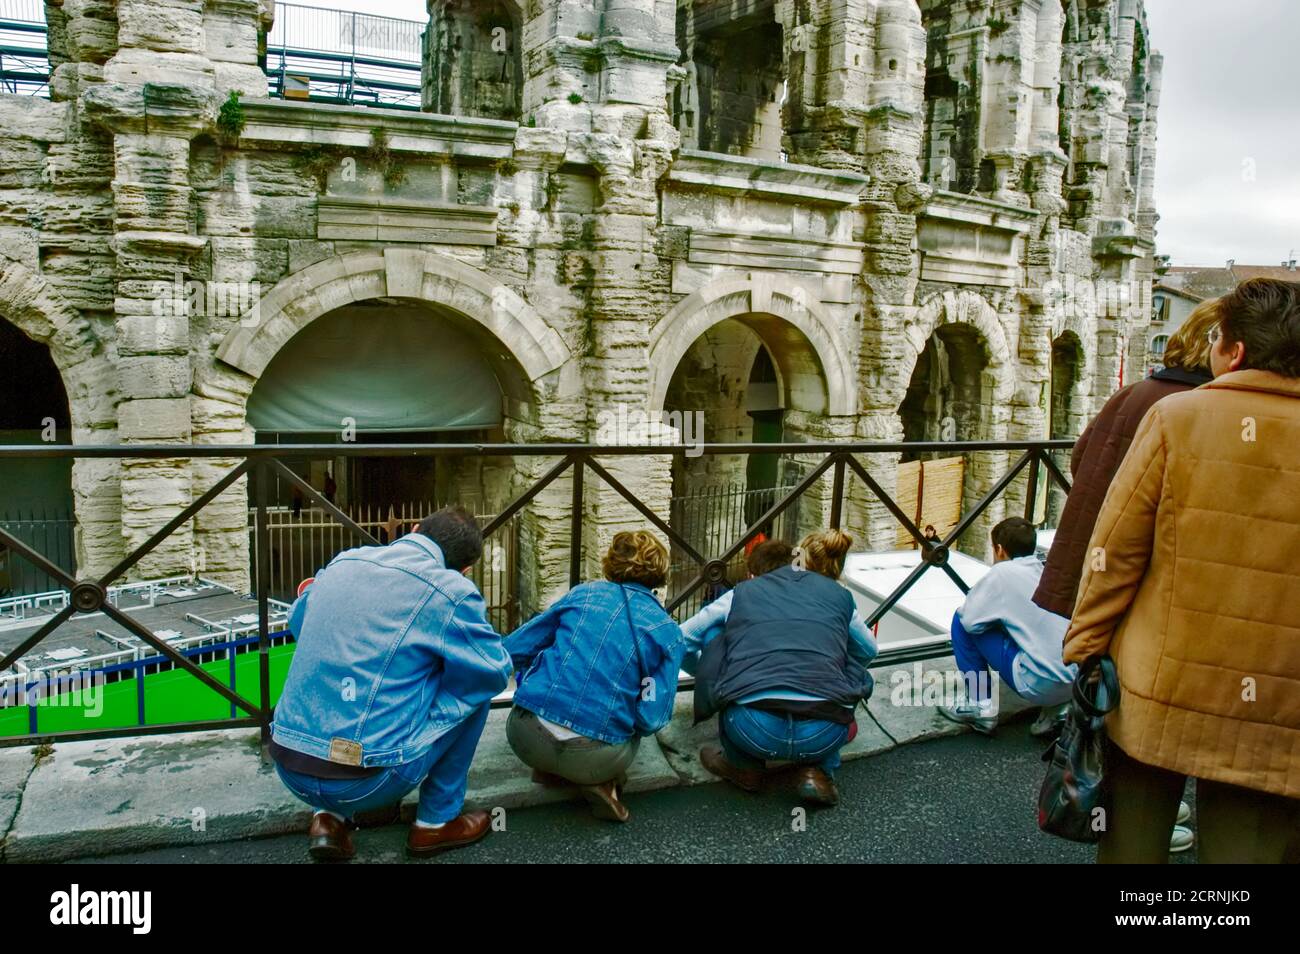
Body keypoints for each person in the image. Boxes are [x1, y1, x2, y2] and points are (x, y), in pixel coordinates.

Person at [1064, 277, 1300, 864]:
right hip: (1278, 700)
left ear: (1236, 351)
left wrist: (1086, 645)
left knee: (1133, 849)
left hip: (1160, 684)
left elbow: (1114, 551)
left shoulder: (1178, 417)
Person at [270, 506, 510, 861]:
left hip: (288, 763)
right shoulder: (451, 589)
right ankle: (435, 824)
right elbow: (492, 670)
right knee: (475, 697)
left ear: (414, 529)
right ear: (465, 570)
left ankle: (329, 818)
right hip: (366, 781)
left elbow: (299, 622)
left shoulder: (344, 561)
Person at [683, 530, 877, 807]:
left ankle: (744, 767)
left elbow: (683, 638)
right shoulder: (840, 595)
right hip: (824, 733)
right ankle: (818, 771)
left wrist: (707, 675)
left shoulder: (743, 592)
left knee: (714, 630)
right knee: (851, 671)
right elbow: (869, 650)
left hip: (752, 730)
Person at [503, 530, 686, 822]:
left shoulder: (582, 594)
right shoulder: (669, 633)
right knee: (630, 732)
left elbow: (513, 649)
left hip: (525, 737)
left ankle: (555, 768)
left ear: (611, 563)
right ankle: (598, 780)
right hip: (597, 757)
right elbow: (651, 719)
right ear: (660, 574)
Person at [937, 517, 1076, 734]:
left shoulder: (1002, 573)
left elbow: (970, 620)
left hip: (1038, 682)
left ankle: (980, 706)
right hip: (1075, 681)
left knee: (960, 621)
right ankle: (1056, 712)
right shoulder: (1047, 571)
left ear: (999, 550)